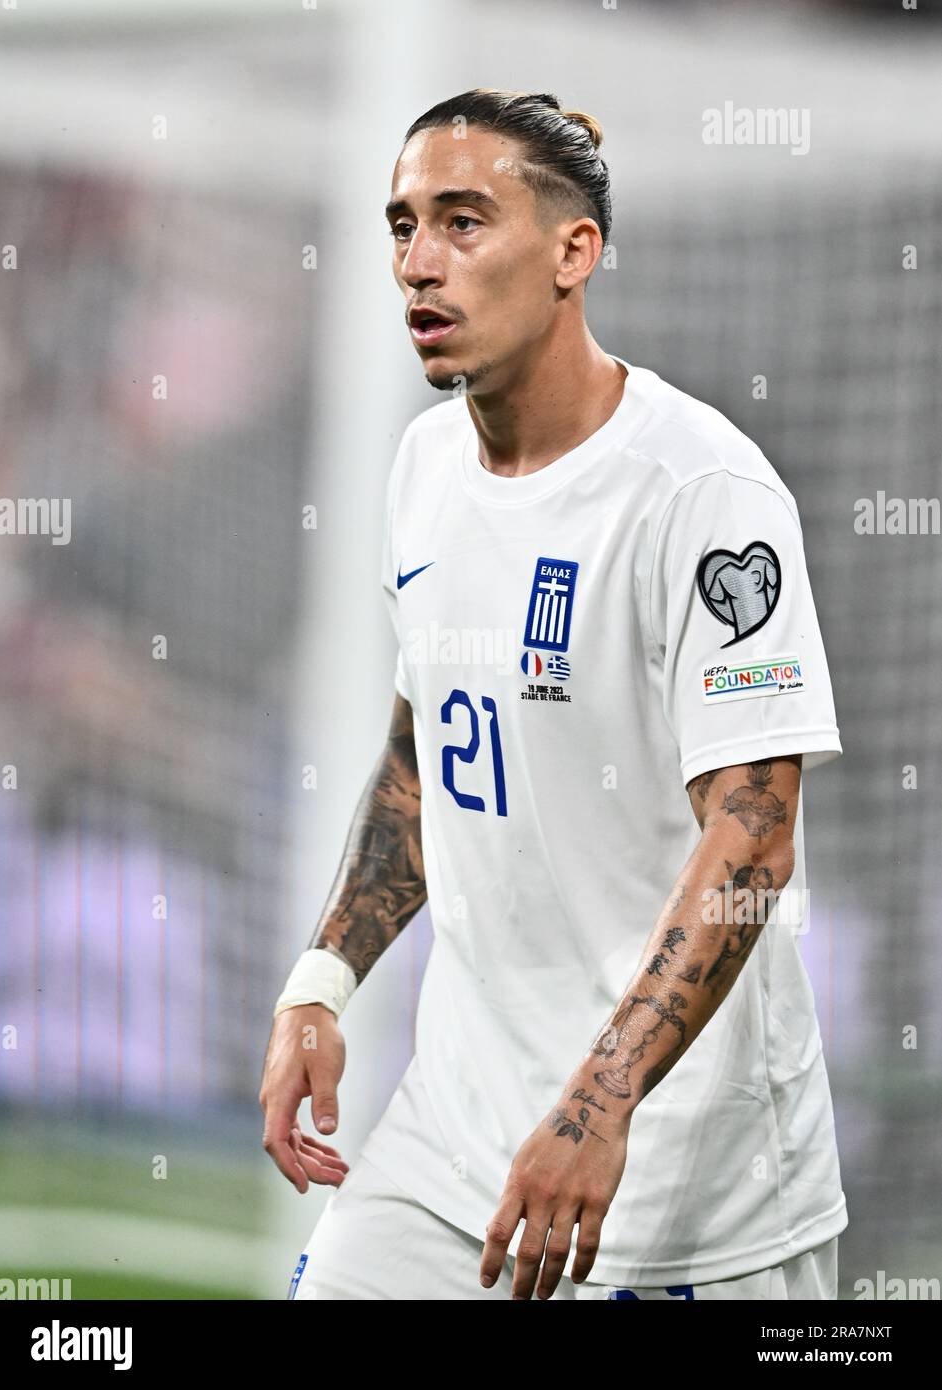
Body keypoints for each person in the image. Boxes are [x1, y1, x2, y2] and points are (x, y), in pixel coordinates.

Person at [260, 88, 846, 1301]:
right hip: (452, 1136)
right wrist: (322, 980)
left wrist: (595, 1106)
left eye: (463, 222)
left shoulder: (703, 494)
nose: (418, 263)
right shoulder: (423, 467)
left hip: (681, 1179)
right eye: (403, 225)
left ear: (574, 251)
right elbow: (426, 752)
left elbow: (751, 842)